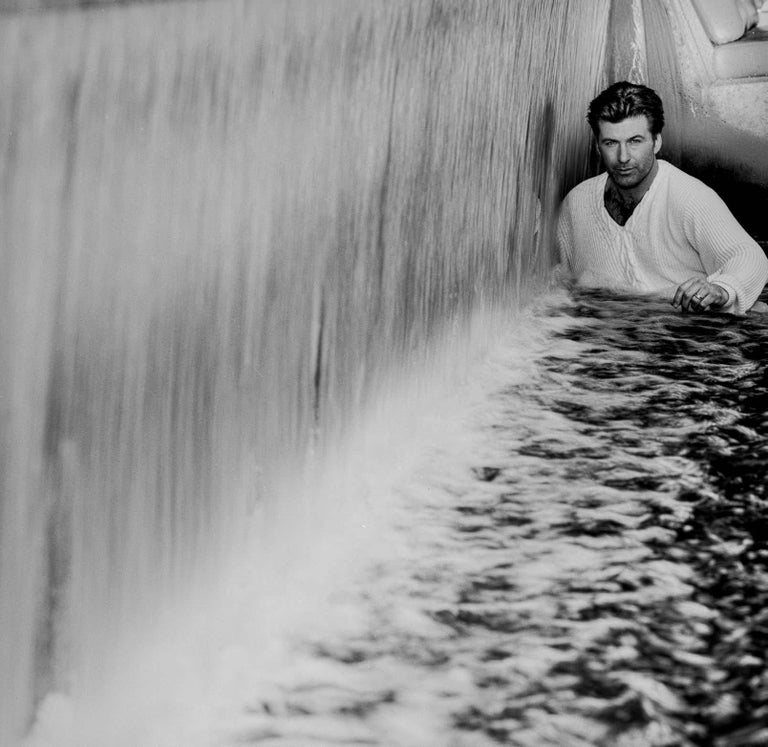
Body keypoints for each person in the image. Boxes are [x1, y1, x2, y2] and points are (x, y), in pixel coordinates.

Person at [556, 81, 768, 315]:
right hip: (610, 339)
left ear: (656, 142)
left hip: (684, 338)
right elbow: (555, 284)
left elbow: (748, 255)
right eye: (611, 143)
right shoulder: (576, 204)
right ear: (598, 146)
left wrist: (721, 289)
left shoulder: (688, 196)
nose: (623, 157)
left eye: (635, 141)